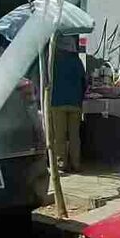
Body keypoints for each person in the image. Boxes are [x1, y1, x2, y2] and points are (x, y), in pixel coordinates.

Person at [50, 37, 85, 172]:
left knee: (59, 136)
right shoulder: (77, 61)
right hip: (75, 103)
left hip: (57, 102)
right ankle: (76, 163)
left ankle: (61, 163)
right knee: (74, 136)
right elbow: (84, 80)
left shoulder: (53, 61)